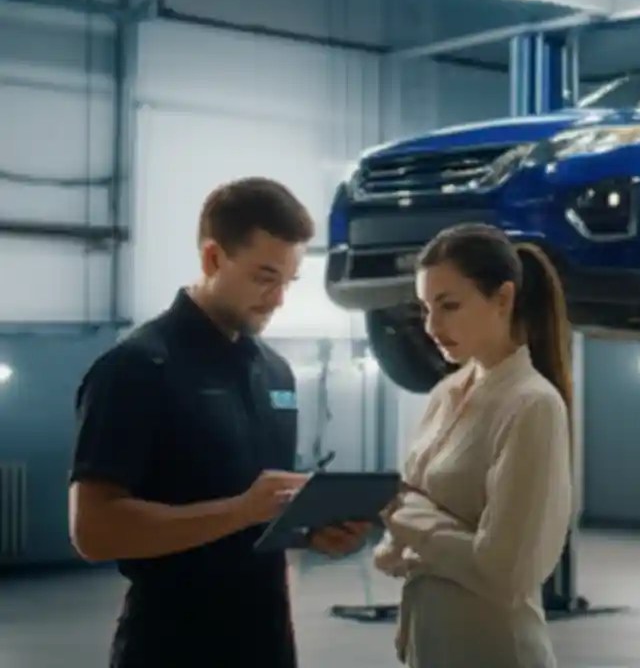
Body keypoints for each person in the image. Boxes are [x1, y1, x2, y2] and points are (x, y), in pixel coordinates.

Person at [68, 177, 373, 668]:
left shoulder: (275, 371)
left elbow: (256, 514)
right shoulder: (136, 367)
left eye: (288, 282)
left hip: (268, 643)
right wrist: (242, 510)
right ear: (213, 258)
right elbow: (94, 530)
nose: (278, 299)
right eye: (264, 277)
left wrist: (307, 529)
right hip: (172, 648)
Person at [373, 223, 574, 667]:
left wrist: (409, 519)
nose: (431, 326)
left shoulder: (532, 405)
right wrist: (405, 536)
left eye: (449, 306)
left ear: (503, 299)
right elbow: (398, 538)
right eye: (425, 308)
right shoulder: (445, 393)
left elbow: (505, 573)